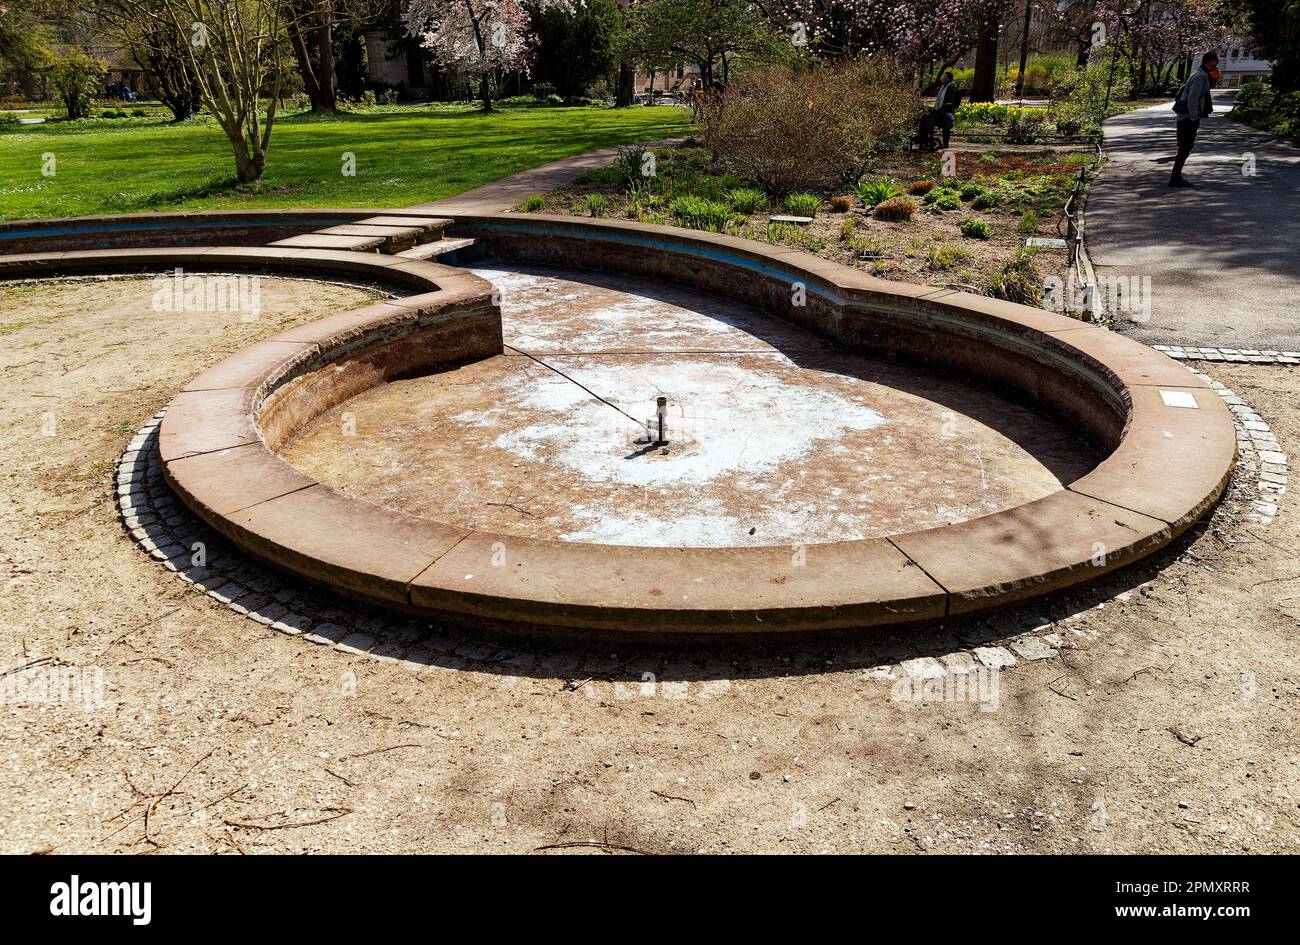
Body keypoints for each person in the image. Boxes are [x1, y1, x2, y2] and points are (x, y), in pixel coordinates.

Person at [1170, 51, 1220, 188]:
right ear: (1210, 62)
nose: (1217, 65)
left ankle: (1176, 176)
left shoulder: (1199, 74)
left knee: (1184, 147)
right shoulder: (1201, 76)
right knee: (1185, 147)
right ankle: (1175, 177)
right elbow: (1193, 98)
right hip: (1188, 118)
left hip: (1186, 117)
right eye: (1216, 62)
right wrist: (1194, 117)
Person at [933, 71, 960, 149]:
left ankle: (946, 144)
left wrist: (944, 108)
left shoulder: (951, 86)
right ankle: (942, 143)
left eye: (944, 77)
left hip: (947, 111)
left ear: (948, 78)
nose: (943, 78)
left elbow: (951, 100)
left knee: (946, 127)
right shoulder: (944, 86)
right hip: (940, 110)